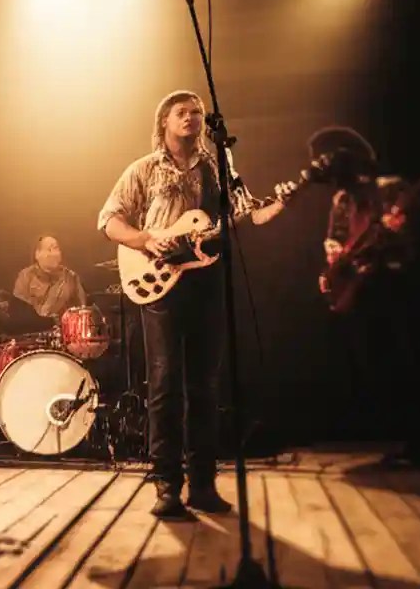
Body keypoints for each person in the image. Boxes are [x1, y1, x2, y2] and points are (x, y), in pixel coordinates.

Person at [98, 90, 294, 519]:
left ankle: (202, 484)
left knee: (203, 386)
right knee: (165, 383)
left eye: (197, 113)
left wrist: (280, 202)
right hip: (159, 283)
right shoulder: (144, 169)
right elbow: (109, 219)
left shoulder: (217, 167)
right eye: (182, 112)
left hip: (205, 282)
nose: (191, 118)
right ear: (164, 121)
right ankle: (166, 484)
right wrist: (146, 239)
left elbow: (250, 214)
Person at [310, 126, 420, 476]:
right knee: (391, 368)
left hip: (406, 285)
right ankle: (414, 444)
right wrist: (334, 256)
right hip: (369, 290)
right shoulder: (343, 200)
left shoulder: (392, 189)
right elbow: (334, 238)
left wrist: (401, 227)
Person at [12, 235, 88, 319]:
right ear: (37, 254)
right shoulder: (25, 276)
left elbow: (82, 310)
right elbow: (19, 308)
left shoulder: (70, 277)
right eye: (49, 249)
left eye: (56, 249)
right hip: (32, 328)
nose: (54, 254)